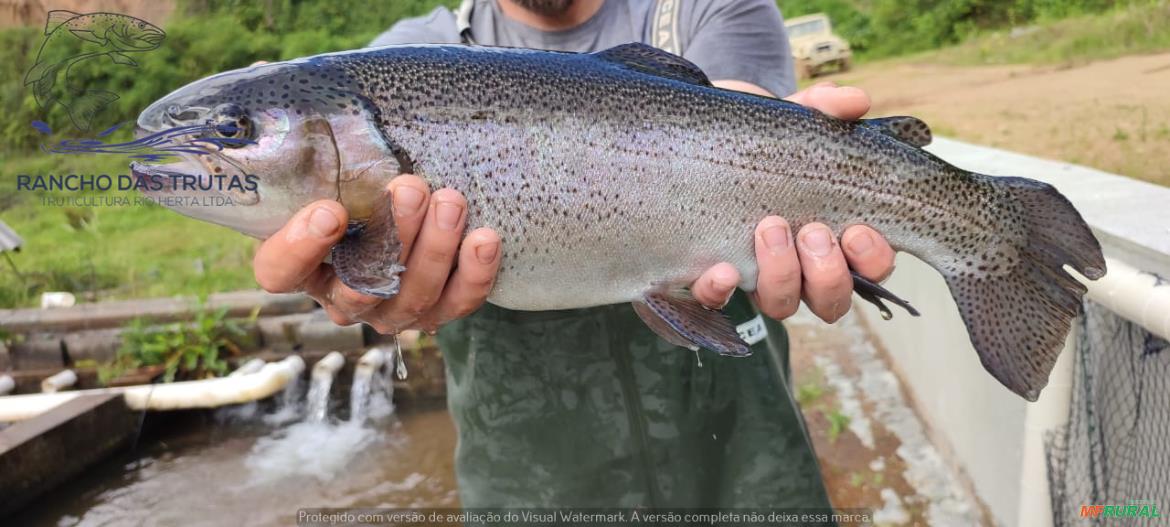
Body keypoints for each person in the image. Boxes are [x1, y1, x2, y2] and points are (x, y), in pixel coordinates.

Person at [254, 0, 896, 509]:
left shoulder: (710, 8)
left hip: (749, 468)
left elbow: (749, 123)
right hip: (528, 485)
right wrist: (353, 278)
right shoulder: (398, 56)